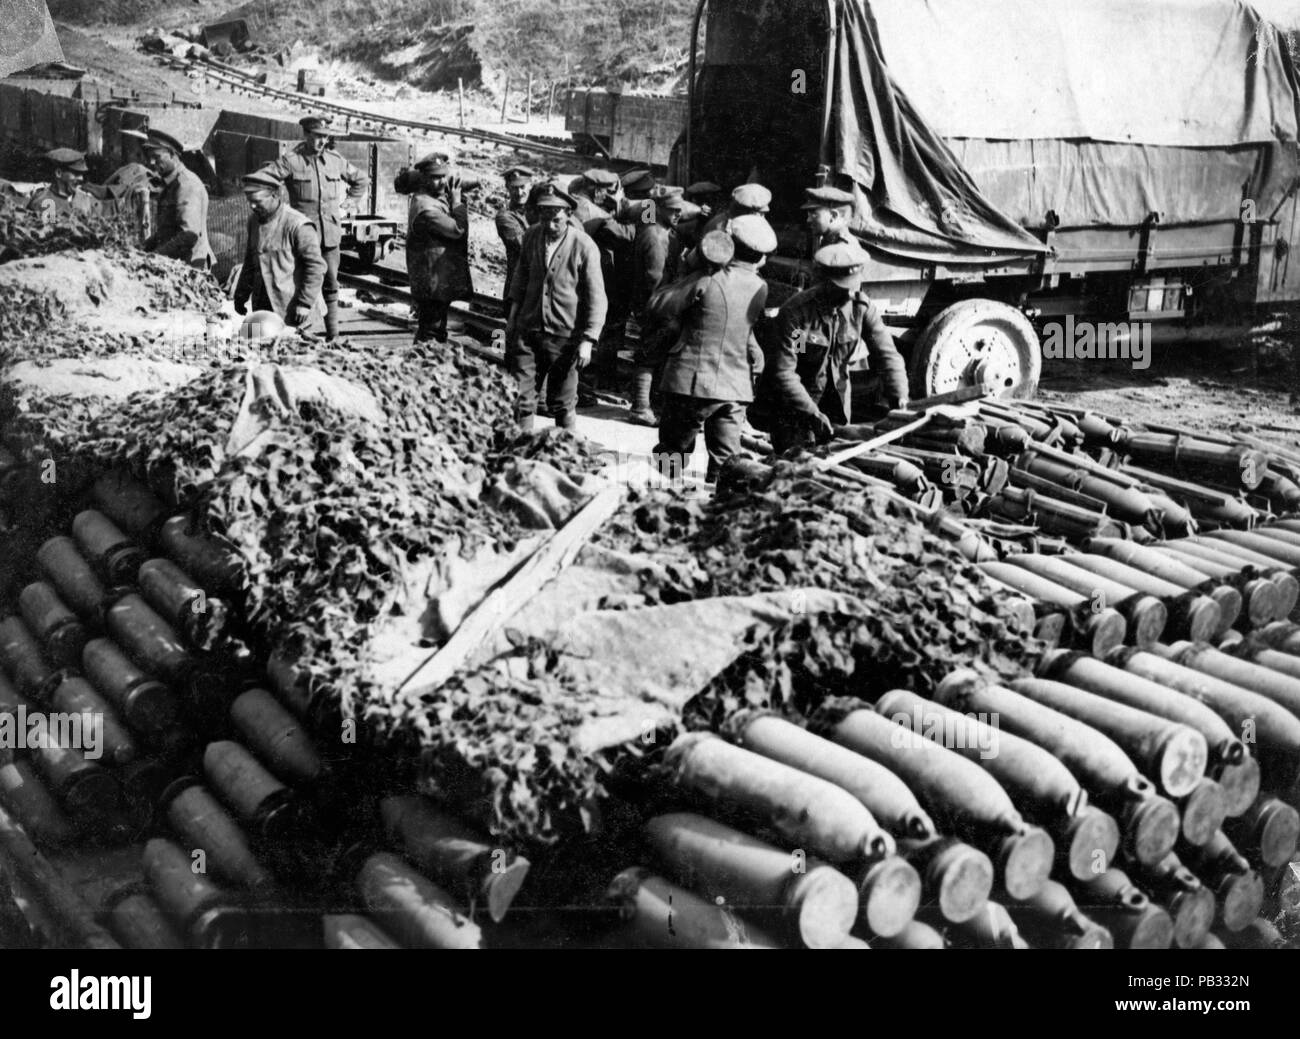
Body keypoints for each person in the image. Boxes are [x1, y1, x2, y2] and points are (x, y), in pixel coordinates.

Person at [753, 241, 909, 454]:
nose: (848, 294)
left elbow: (887, 356)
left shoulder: (861, 309)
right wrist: (811, 413)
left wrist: (899, 398)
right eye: (841, 287)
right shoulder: (798, 314)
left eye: (852, 285)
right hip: (797, 410)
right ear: (823, 281)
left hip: (837, 409)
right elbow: (785, 371)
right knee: (794, 472)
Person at [647, 223, 773, 483]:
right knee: (728, 463)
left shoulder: (706, 278)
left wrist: (686, 272)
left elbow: (657, 306)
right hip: (735, 388)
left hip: (691, 382)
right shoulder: (760, 287)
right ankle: (720, 507)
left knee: (671, 453)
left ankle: (659, 499)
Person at [505, 183, 606, 432]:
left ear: (568, 215)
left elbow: (597, 297)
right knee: (521, 396)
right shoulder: (531, 236)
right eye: (545, 217)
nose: (550, 225)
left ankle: (566, 452)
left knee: (562, 400)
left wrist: (588, 340)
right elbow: (520, 279)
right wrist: (512, 319)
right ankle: (522, 448)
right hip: (528, 331)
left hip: (565, 336)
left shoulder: (584, 246)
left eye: (556, 220)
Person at [257, 116, 368, 340]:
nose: (321, 142)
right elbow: (263, 180)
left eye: (325, 137)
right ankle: (296, 335)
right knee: (298, 284)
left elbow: (361, 179)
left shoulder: (335, 160)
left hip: (329, 236)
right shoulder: (291, 161)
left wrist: (351, 201)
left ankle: (333, 336)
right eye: (317, 137)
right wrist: (278, 210)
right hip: (302, 237)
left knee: (331, 284)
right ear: (307, 135)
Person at [232, 169, 327, 333]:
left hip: (296, 311)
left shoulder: (298, 225)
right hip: (264, 306)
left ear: (275, 196)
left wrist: (304, 303)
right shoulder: (254, 221)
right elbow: (250, 261)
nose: (252, 206)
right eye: (249, 201)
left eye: (257, 201)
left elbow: (316, 267)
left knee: (299, 355)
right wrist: (241, 295)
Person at [627, 191, 686, 425]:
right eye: (673, 210)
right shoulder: (656, 236)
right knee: (649, 354)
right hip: (657, 304)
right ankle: (640, 407)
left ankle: (647, 404)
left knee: (654, 351)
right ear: (659, 209)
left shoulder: (661, 231)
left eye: (680, 210)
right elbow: (654, 277)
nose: (678, 214)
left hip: (657, 303)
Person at [406, 155, 471, 344]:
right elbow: (458, 230)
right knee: (431, 332)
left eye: (444, 176)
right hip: (432, 281)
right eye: (436, 177)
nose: (442, 182)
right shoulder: (426, 208)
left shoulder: (430, 198)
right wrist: (458, 203)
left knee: (435, 328)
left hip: (435, 278)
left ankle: (425, 363)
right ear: (424, 178)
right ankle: (422, 365)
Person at [141, 129, 214, 270]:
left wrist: (155, 256)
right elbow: (168, 231)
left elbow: (189, 235)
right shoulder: (172, 183)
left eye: (157, 157)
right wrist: (143, 248)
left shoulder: (186, 185)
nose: (152, 162)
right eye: (150, 158)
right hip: (177, 262)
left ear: (173, 155)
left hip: (191, 265)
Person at [495, 165, 533, 303]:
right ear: (507, 188)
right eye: (514, 188)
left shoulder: (537, 209)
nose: (519, 192)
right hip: (520, 284)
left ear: (530, 185)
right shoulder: (505, 217)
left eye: (523, 187)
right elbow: (525, 246)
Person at [26, 148, 96, 222]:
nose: (81, 178)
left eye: (82, 174)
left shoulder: (84, 200)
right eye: (76, 173)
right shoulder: (44, 202)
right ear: (59, 173)